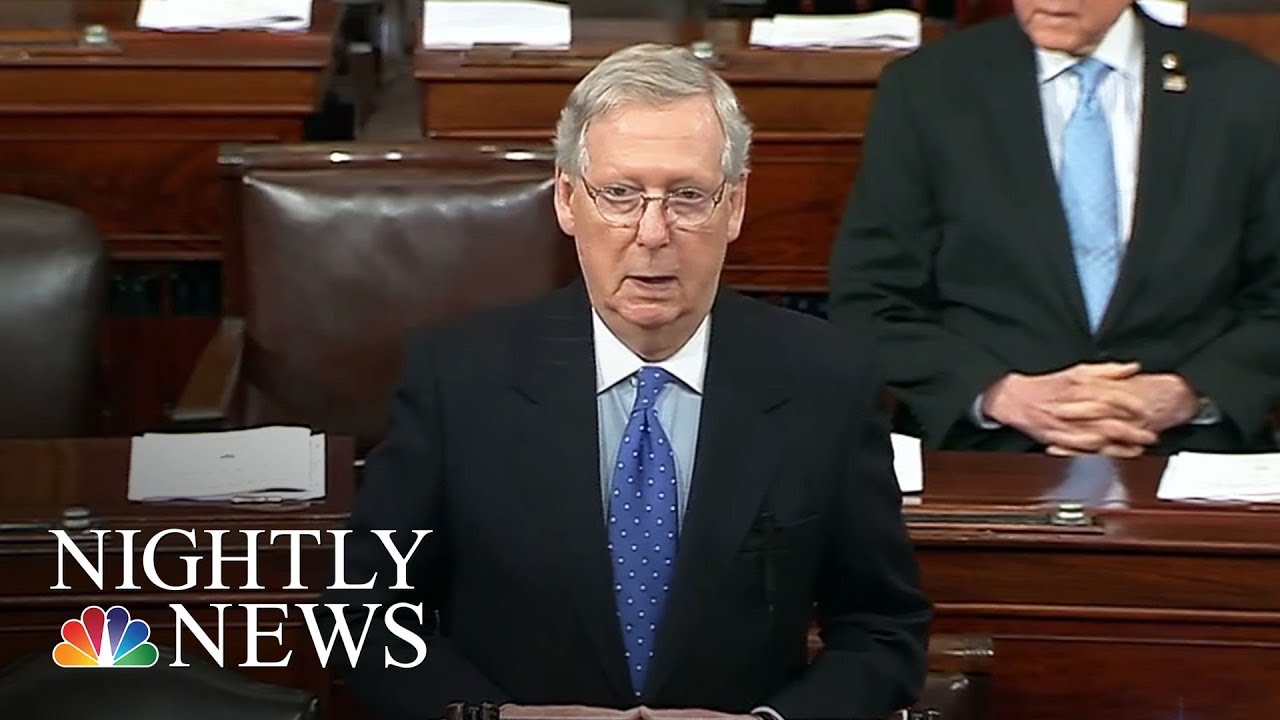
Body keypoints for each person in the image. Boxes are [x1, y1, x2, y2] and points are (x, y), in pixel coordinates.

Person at [320, 43, 931, 720]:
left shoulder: (826, 381)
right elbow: (361, 614)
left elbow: (883, 630)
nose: (652, 233)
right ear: (567, 199)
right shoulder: (459, 377)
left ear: (734, 206)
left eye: (688, 196)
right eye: (619, 194)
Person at [829, 0, 1280, 456]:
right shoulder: (929, 88)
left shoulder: (1244, 89)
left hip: (1190, 448)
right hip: (984, 447)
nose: (1051, 1)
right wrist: (1000, 395)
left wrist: (1187, 393)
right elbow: (871, 297)